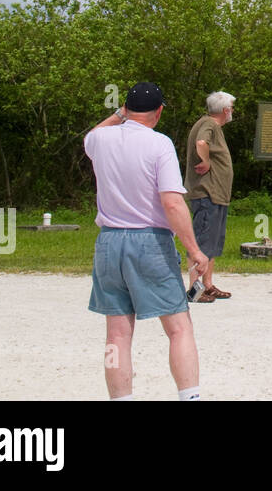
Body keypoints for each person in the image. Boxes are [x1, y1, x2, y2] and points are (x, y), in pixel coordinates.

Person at [85, 82, 208, 401]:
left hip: (109, 242)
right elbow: (172, 202)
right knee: (179, 327)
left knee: (117, 334)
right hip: (149, 242)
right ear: (160, 111)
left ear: (124, 109)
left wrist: (118, 115)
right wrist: (194, 250)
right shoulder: (159, 144)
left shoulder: (99, 139)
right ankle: (190, 397)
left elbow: (93, 133)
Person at [182, 91, 236, 302]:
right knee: (203, 241)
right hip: (207, 193)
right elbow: (201, 143)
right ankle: (195, 290)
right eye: (231, 107)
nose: (232, 111)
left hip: (216, 194)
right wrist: (205, 161)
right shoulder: (209, 124)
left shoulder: (213, 126)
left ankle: (207, 285)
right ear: (225, 110)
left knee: (212, 242)